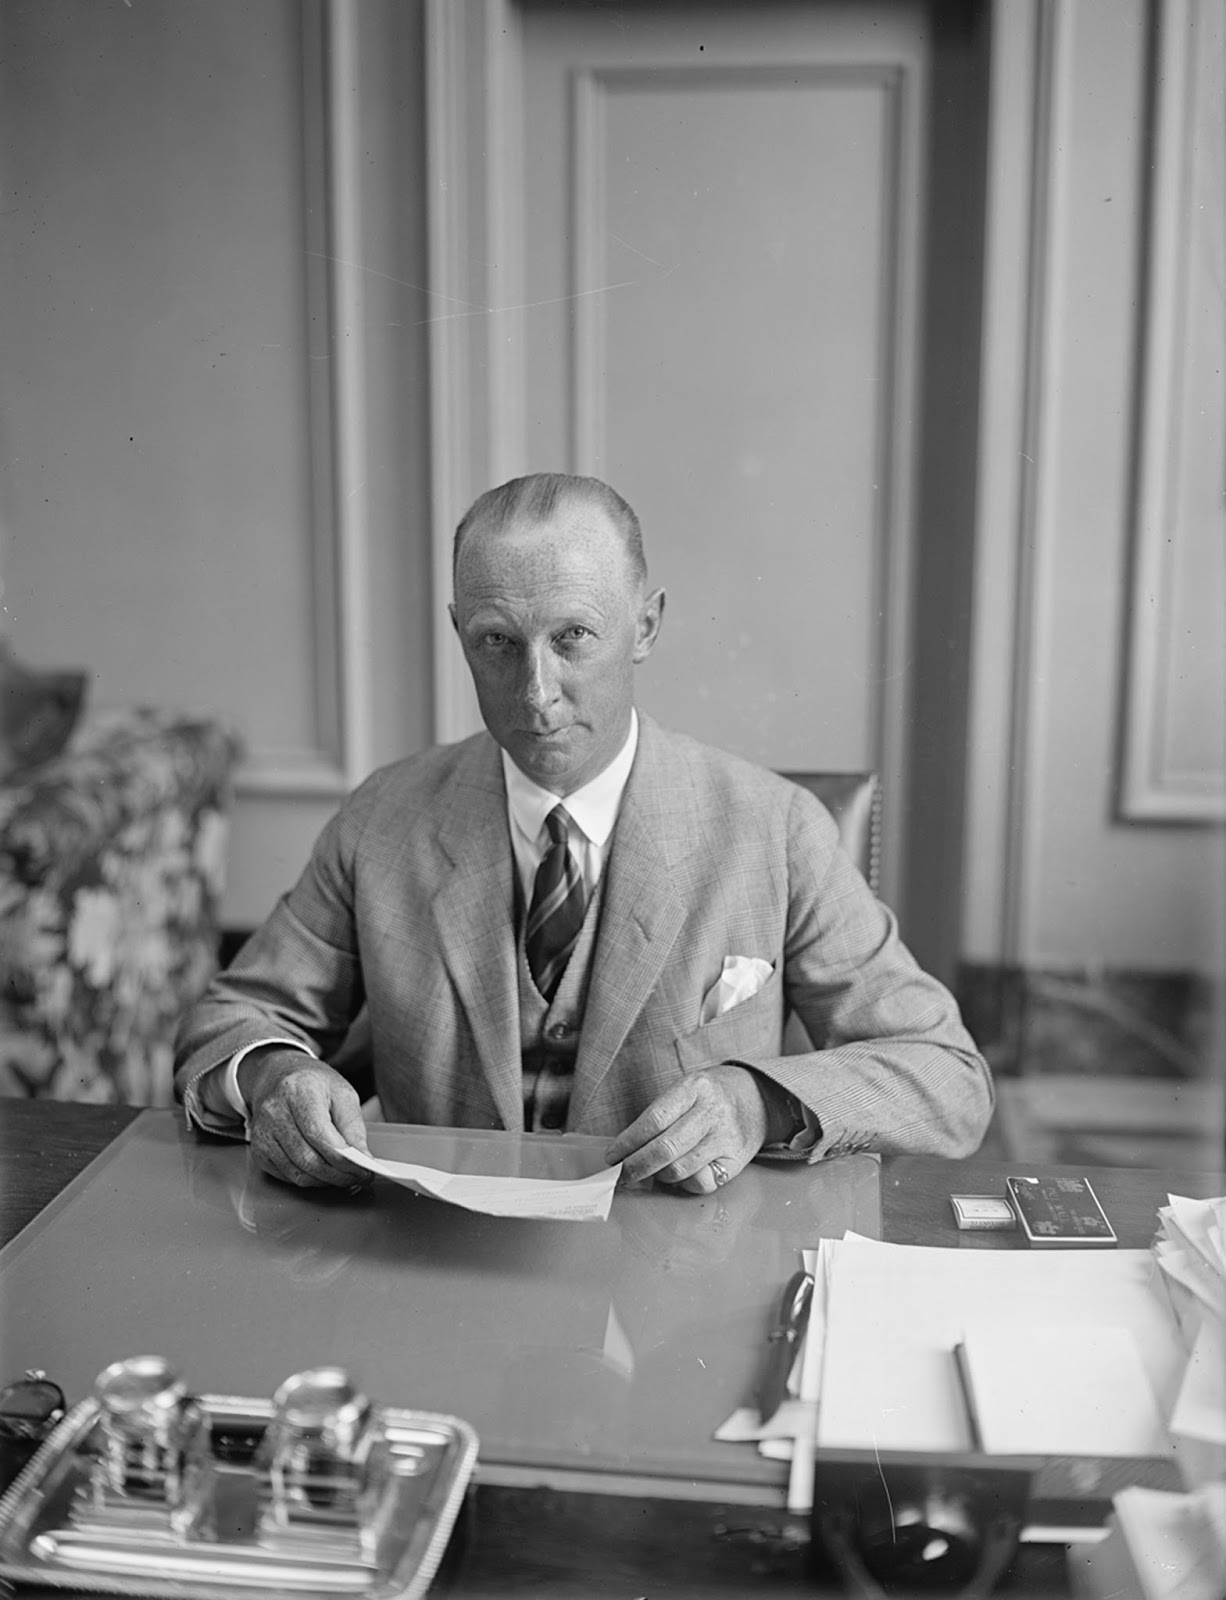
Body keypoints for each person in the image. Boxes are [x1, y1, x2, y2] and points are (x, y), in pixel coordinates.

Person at [175, 473, 992, 1193]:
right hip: (440, 1271)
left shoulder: (773, 830)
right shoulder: (385, 816)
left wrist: (758, 1102)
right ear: (459, 631)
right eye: (497, 642)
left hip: (674, 1284)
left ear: (645, 627)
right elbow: (231, 1018)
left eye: (572, 637)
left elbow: (948, 1078)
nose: (536, 693)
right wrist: (275, 1073)